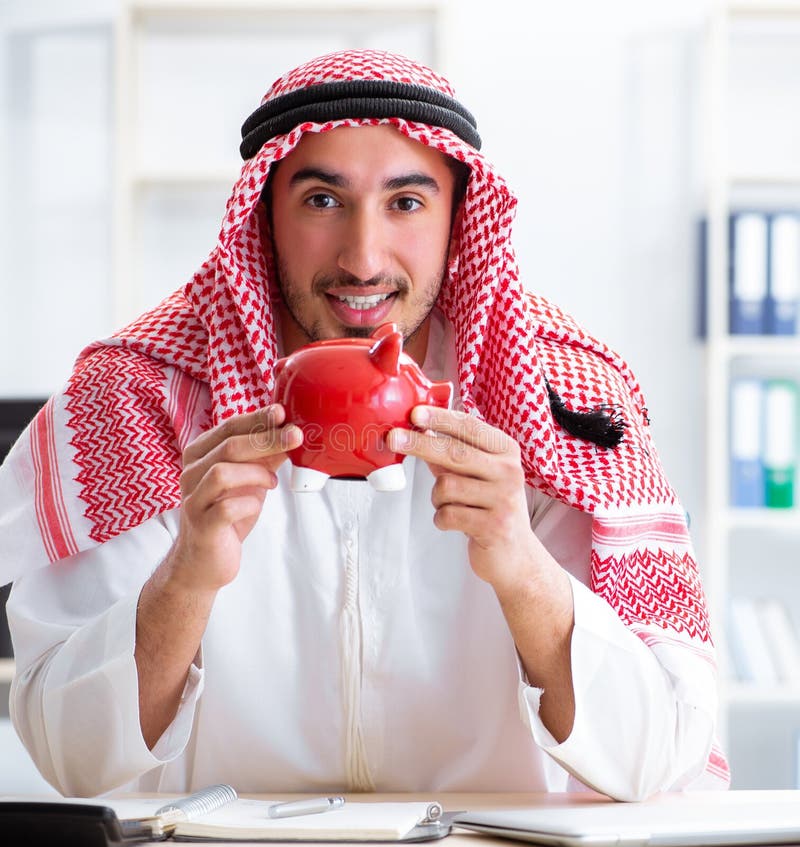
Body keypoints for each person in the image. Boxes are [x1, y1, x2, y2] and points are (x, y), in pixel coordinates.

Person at [0, 49, 729, 799]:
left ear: (458, 218)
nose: (363, 257)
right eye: (322, 199)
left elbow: (662, 756)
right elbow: (71, 757)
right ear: (263, 213)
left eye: (406, 203)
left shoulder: (564, 399)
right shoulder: (133, 400)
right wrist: (186, 578)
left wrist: (520, 562)